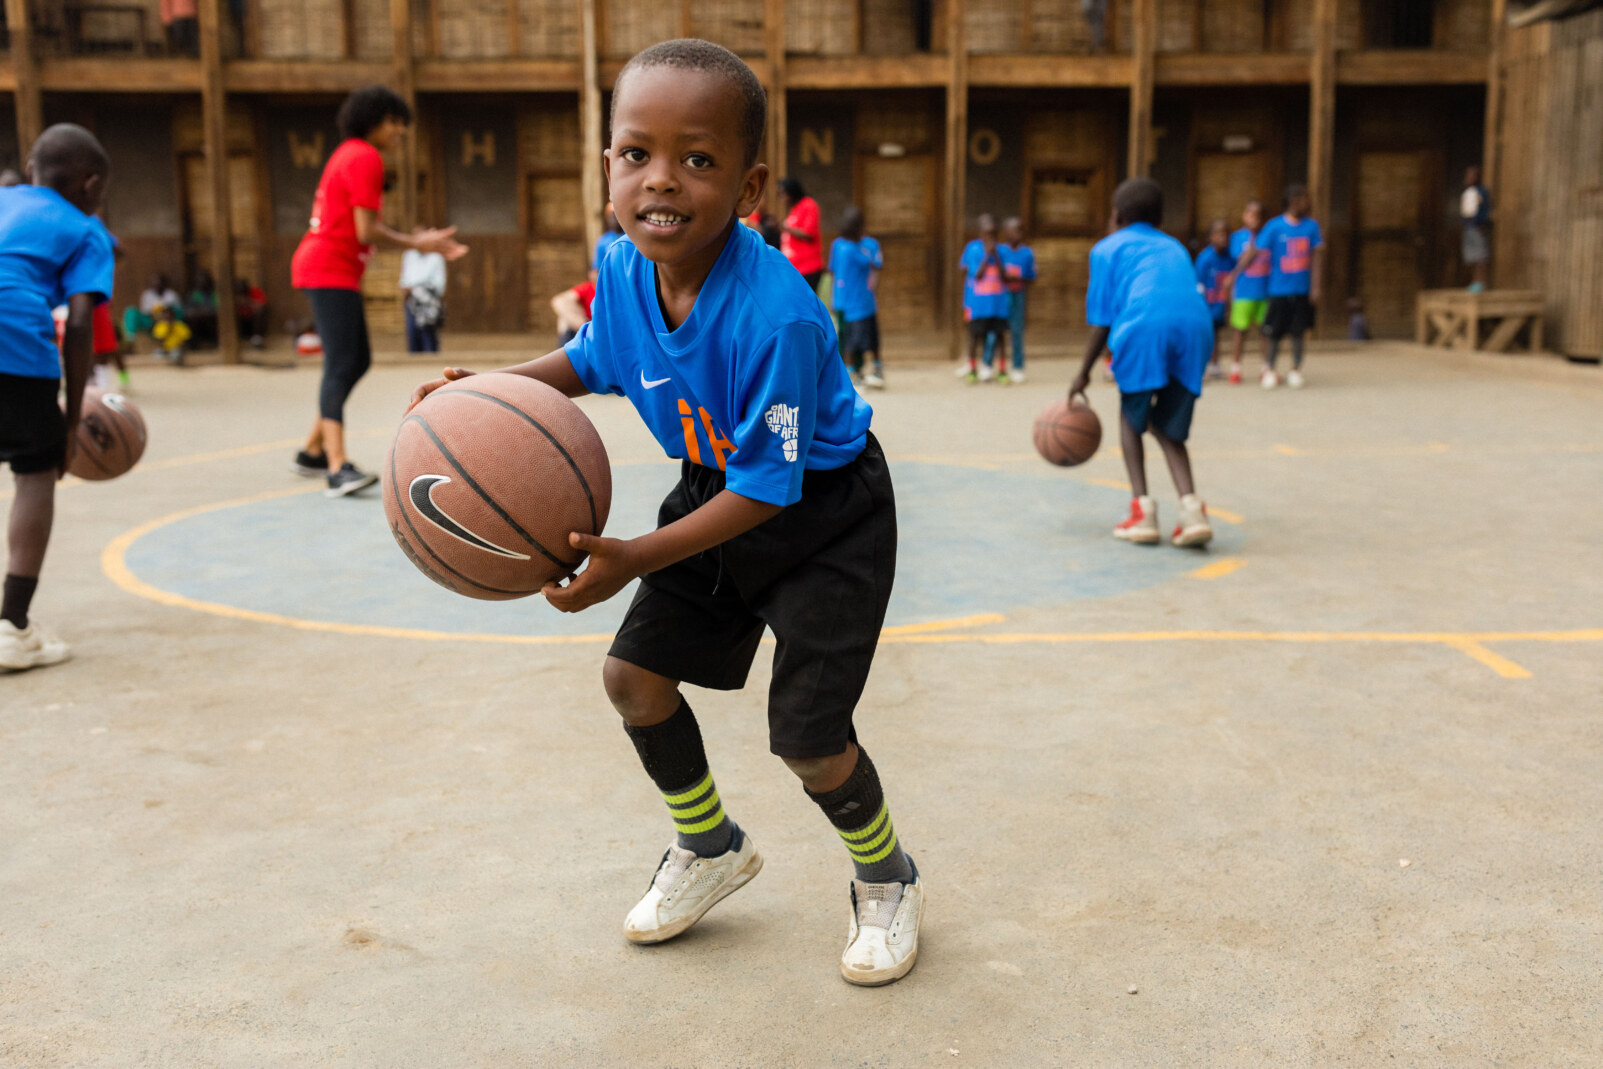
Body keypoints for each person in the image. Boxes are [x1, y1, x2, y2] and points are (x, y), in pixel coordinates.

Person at [407, 38, 923, 987]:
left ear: (748, 184)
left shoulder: (777, 316)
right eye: (635, 152)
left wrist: (633, 554)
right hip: (711, 487)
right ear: (606, 163)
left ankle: (886, 877)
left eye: (697, 159)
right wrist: (481, 391)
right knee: (634, 680)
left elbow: (771, 487)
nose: (661, 180)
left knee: (809, 739)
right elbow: (592, 358)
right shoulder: (622, 266)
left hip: (823, 515)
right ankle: (711, 845)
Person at [290, 84, 466, 498]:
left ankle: (312, 451)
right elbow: (365, 230)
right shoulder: (365, 156)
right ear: (373, 120)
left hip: (331, 268)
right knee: (340, 364)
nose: (400, 131)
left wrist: (414, 241)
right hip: (327, 268)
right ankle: (337, 468)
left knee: (356, 360)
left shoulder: (349, 154)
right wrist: (417, 243)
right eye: (394, 122)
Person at [0, 124, 116, 670]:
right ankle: (12, 624)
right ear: (90, 185)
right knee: (35, 472)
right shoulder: (86, 228)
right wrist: (70, 420)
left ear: (31, 174)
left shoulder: (3, 201)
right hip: (15, 343)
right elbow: (82, 323)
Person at [1068, 178, 1214, 549]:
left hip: (1144, 326)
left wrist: (1082, 373)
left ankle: (1143, 512)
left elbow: (1103, 318)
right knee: (1168, 427)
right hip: (1196, 330)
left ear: (1115, 215)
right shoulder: (1176, 247)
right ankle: (1192, 510)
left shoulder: (1107, 249)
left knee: (1130, 419)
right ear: (1160, 217)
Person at [1249, 184, 1324, 389]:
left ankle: (1295, 369)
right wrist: (1238, 274)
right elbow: (1257, 253)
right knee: (1274, 332)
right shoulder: (1274, 226)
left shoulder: (1312, 227)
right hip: (1278, 289)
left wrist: (1315, 287)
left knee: (1299, 332)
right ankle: (1270, 368)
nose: (1306, 203)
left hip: (1301, 290)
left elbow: (1316, 258)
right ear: (1292, 201)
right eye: (1302, 199)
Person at [828, 206, 885, 388]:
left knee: (870, 337)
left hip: (864, 301)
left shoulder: (868, 246)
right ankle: (852, 374)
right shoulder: (839, 245)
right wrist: (833, 297)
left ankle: (876, 370)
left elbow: (875, 267)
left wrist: (872, 285)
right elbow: (833, 271)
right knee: (849, 339)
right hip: (844, 301)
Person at [985, 216, 1036, 383]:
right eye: (1013, 230)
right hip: (999, 295)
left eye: (1019, 230)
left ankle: (1018, 366)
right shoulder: (1000, 251)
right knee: (994, 331)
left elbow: (1031, 277)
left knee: (1016, 331)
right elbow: (992, 271)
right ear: (1006, 233)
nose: (1017, 233)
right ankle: (987, 364)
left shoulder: (1027, 253)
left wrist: (1016, 279)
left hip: (1018, 295)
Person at [959, 213, 1009, 383]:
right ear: (980, 233)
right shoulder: (972, 249)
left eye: (993, 234)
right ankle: (972, 369)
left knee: (1000, 337)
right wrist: (988, 255)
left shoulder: (1001, 250)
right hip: (979, 304)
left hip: (998, 304)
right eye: (987, 234)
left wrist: (995, 255)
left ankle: (1001, 370)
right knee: (975, 336)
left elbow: (1005, 276)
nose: (990, 238)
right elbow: (977, 275)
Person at [1226, 200, 1270, 385]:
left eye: (1259, 215)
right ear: (1244, 216)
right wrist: (1254, 242)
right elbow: (1241, 258)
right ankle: (1236, 368)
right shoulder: (1238, 237)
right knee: (1240, 331)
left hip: (1265, 291)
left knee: (1265, 331)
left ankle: (1267, 367)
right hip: (1243, 292)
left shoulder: (1269, 236)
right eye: (1251, 214)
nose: (1255, 219)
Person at [89, 218, 128, 392]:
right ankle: (95, 382)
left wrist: (103, 268)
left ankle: (104, 385)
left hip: (93, 292)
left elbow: (119, 251)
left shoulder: (91, 222)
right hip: (67, 294)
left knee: (104, 342)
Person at [1194, 218, 1235, 380]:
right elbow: (1199, 285)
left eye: (1225, 234)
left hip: (1220, 305)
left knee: (1215, 335)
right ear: (1210, 237)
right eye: (1217, 234)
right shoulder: (1204, 259)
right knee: (1204, 336)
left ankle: (1215, 364)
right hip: (1206, 306)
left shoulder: (1230, 258)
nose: (1222, 238)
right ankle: (1201, 366)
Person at [777, 176, 824, 292]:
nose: (782, 199)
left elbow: (808, 233)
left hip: (807, 268)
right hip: (794, 268)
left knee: (804, 306)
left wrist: (785, 228)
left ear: (792, 192)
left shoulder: (808, 205)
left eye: (783, 194)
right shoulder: (795, 209)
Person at [399, 241, 446, 354]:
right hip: (412, 298)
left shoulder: (436, 257)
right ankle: (414, 356)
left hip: (428, 299)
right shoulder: (409, 255)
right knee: (412, 329)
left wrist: (424, 291)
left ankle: (431, 355)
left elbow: (439, 282)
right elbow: (404, 277)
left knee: (427, 328)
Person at [1460, 165, 1492, 293]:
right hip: (1468, 227)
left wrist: (1482, 224)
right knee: (1470, 257)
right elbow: (1466, 211)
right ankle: (1474, 282)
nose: (1469, 178)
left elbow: (1485, 208)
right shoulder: (1467, 192)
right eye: (1468, 175)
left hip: (1478, 227)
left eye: (1472, 175)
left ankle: (1480, 283)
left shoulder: (1482, 192)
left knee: (1480, 256)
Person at [124, 273, 181, 342]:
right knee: (131, 311)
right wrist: (155, 314)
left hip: (168, 320)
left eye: (160, 283)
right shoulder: (147, 295)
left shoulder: (171, 295)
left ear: (164, 284)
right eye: (155, 283)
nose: (158, 285)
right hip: (151, 320)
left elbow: (178, 311)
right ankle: (131, 337)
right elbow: (145, 312)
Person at [550, 277, 594, 346]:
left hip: (596, 327)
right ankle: (565, 348)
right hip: (586, 325)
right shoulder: (588, 287)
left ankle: (564, 350)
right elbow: (559, 301)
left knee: (565, 318)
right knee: (565, 317)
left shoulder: (608, 289)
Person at [184, 269, 219, 350]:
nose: (202, 283)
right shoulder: (195, 294)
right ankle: (194, 345)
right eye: (199, 281)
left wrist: (207, 311)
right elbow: (188, 309)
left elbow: (219, 308)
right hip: (199, 323)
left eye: (204, 281)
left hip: (213, 321)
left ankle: (216, 341)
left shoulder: (215, 293)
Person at [234, 278, 267, 347]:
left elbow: (261, 305)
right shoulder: (233, 296)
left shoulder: (255, 292)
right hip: (239, 322)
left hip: (252, 321)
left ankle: (257, 340)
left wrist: (248, 302)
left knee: (259, 315)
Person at [593, 201, 624, 270]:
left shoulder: (631, 237)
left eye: (615, 215)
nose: (614, 219)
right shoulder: (603, 241)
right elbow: (598, 267)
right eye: (610, 216)